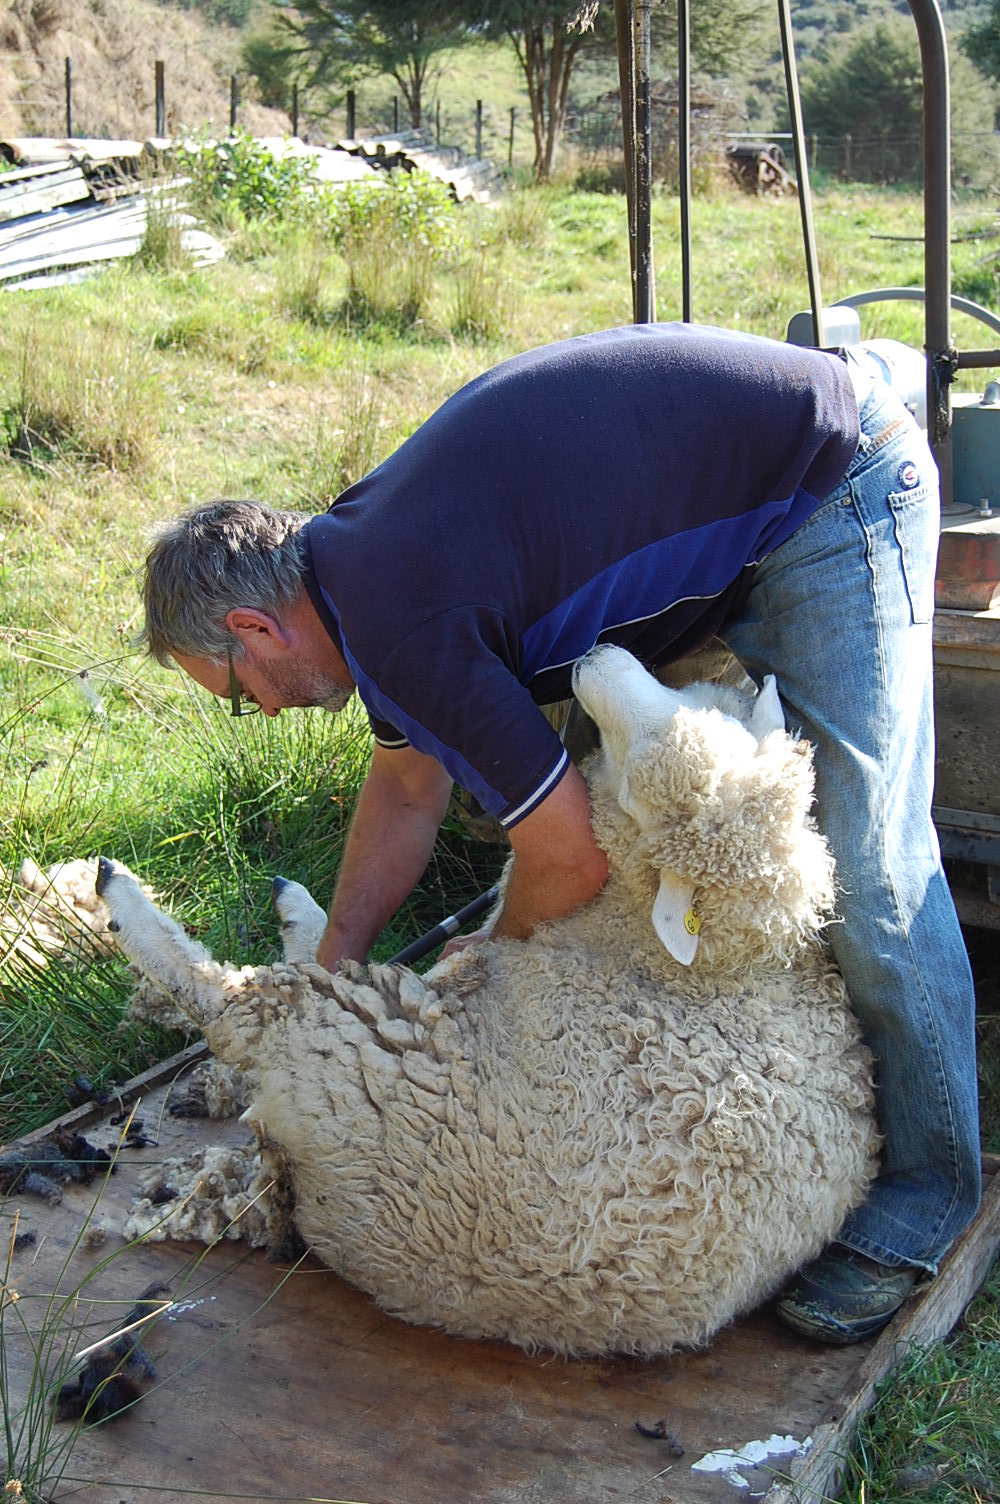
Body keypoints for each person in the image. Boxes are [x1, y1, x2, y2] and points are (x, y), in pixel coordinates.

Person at [138, 322, 981, 1345]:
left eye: (235, 694)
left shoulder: (397, 614)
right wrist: (331, 980)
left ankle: (929, 1191)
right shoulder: (358, 577)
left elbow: (567, 857)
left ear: (254, 632)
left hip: (834, 485)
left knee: (862, 858)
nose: (259, 711)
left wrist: (491, 974)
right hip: (736, 506)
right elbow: (408, 789)